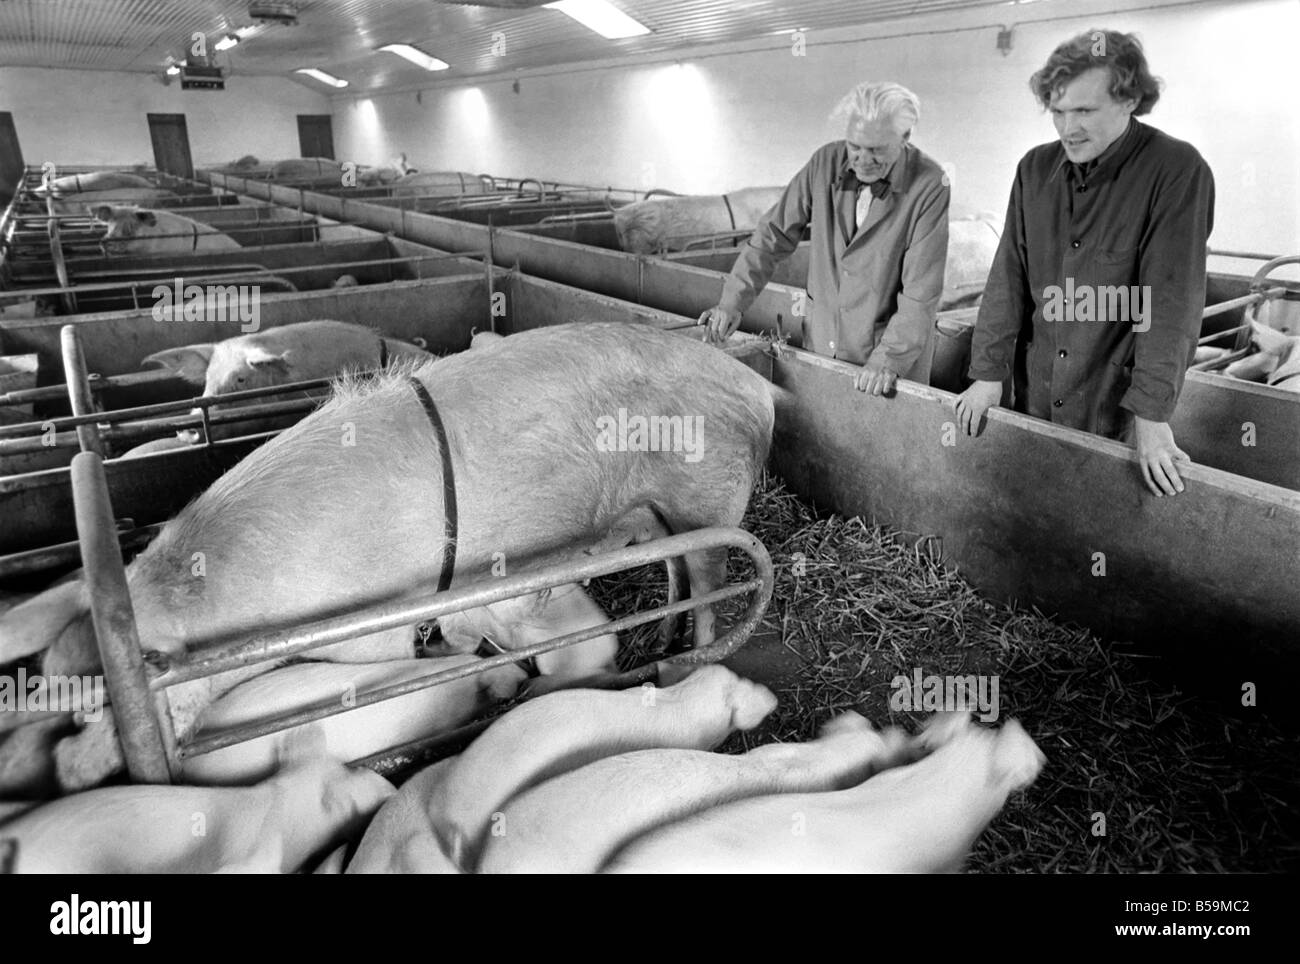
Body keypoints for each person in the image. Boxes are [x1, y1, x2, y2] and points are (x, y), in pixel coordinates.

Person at [954, 29, 1215, 497]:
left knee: (1102, 512)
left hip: (1113, 398)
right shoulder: (1034, 170)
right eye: (1057, 111)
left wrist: (1152, 416)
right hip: (1036, 390)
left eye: (1084, 111)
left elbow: (1171, 303)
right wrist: (987, 374)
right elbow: (1007, 278)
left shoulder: (1176, 171)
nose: (1067, 128)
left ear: (1130, 99)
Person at [700, 81, 950, 395]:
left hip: (887, 359)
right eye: (855, 146)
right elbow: (773, 234)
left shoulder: (929, 184)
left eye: (876, 149)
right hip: (823, 339)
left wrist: (888, 359)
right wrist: (732, 302)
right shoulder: (825, 163)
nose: (862, 159)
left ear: (905, 138)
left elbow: (921, 291)